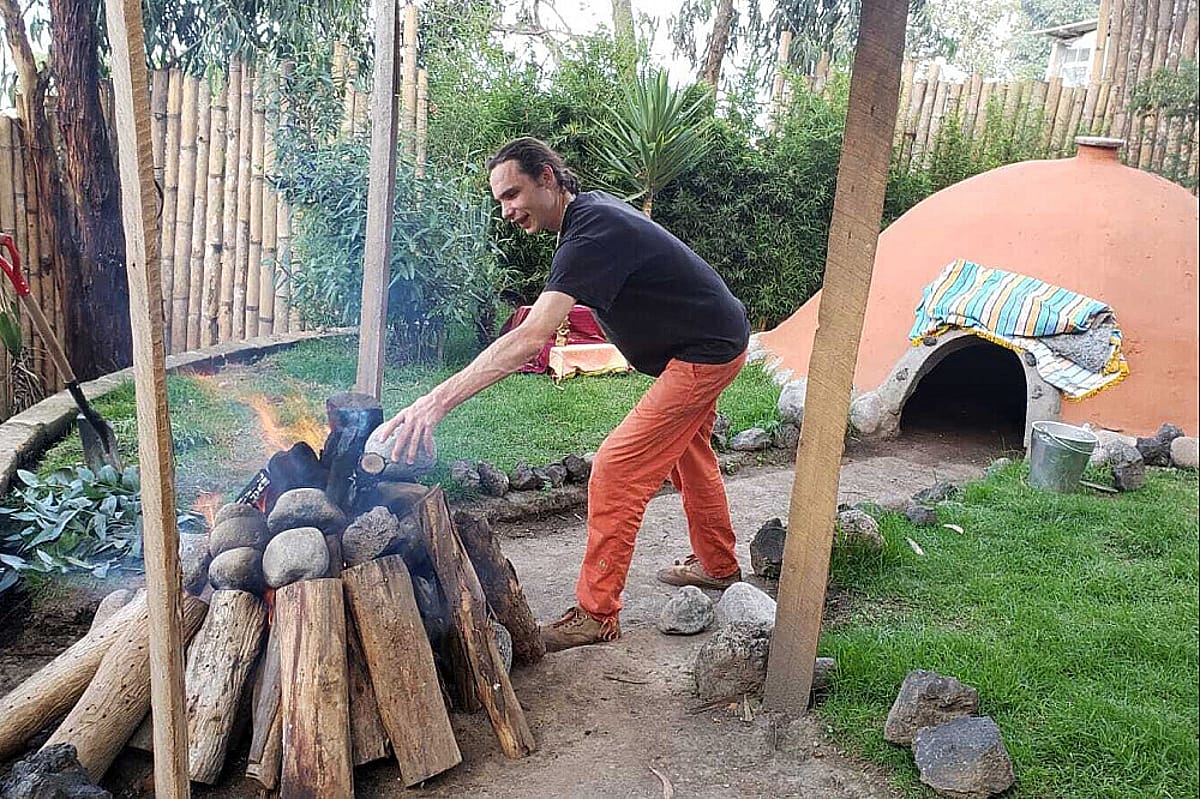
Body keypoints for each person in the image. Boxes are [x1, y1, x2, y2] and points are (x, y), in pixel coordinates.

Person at [378, 137, 751, 652]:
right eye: (500, 201)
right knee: (691, 454)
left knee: (617, 468)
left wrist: (434, 402)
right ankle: (718, 566)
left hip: (705, 353)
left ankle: (597, 613)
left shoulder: (590, 231)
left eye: (513, 194)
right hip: (707, 342)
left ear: (548, 179)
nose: (507, 211)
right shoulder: (586, 219)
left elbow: (532, 336)